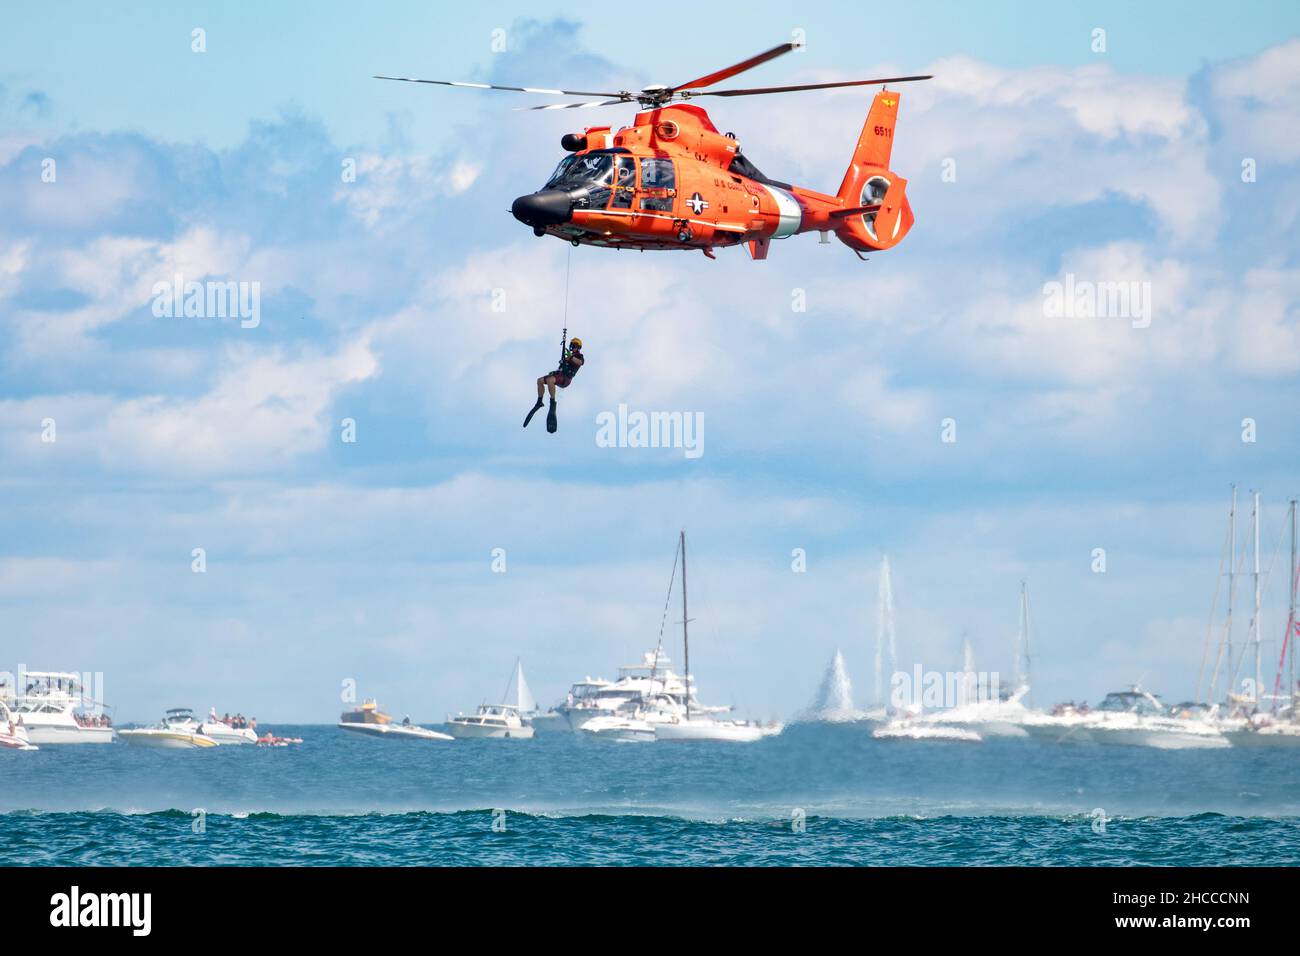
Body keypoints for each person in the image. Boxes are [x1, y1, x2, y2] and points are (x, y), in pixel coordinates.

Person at [523, 337, 584, 432]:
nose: (572, 347)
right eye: (571, 345)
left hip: (566, 379)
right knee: (540, 381)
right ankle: (539, 402)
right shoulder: (567, 357)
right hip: (559, 375)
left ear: (578, 347)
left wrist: (570, 357)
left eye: (574, 346)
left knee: (550, 381)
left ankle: (552, 403)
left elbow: (580, 363)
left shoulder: (579, 356)